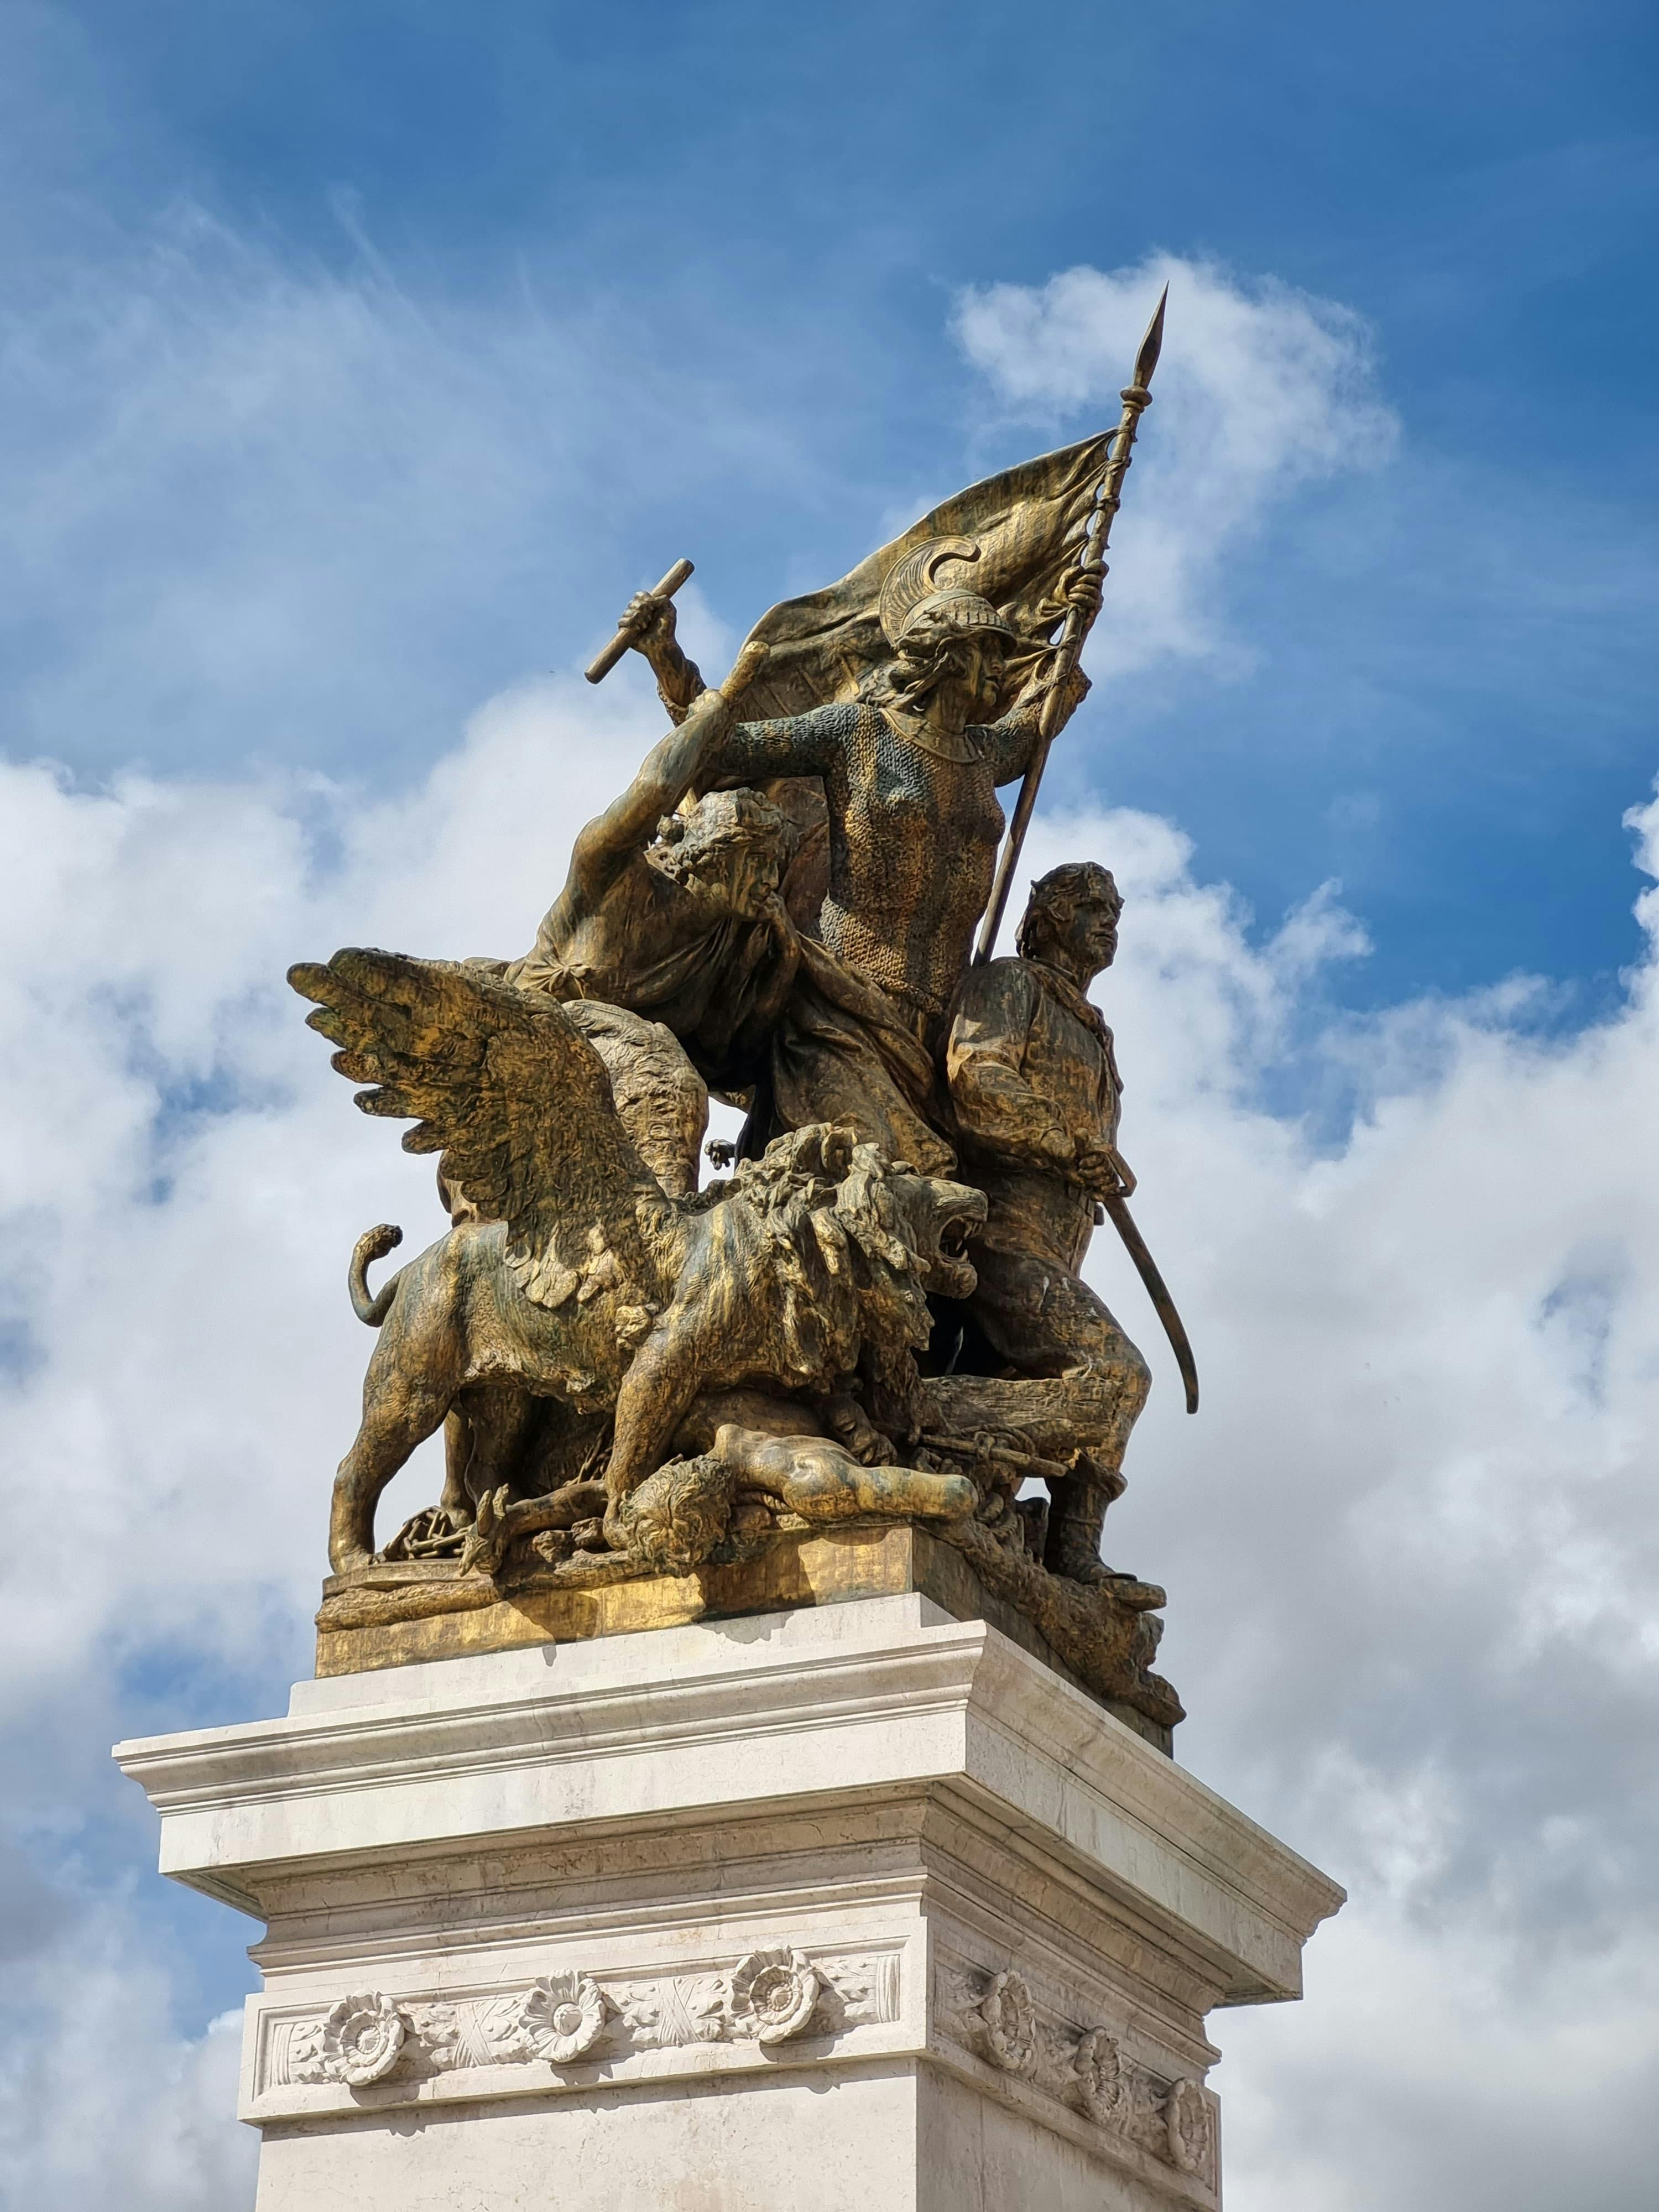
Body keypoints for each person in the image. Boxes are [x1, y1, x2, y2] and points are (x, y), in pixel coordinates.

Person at [620, 555, 1097, 1173]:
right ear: (948, 656)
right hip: (842, 1000)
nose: (1001, 670)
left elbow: (1044, 712)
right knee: (885, 1179)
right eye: (989, 654)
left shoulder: (985, 753)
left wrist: (1078, 621)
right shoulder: (857, 732)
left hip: (946, 1025)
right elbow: (724, 746)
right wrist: (667, 657)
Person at [943, 861, 1150, 1584]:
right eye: (1092, 905)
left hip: (1058, 1254)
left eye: (1115, 908)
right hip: (995, 1239)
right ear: (1052, 915)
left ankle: (1072, 1553)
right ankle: (922, 1413)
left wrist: (1094, 1159)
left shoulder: (1094, 1031)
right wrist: (1068, 1143)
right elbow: (977, 1079)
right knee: (1117, 1375)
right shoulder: (1012, 983)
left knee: (1098, 1382)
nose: (1110, 919)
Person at [503, 650, 797, 1099]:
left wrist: (786, 959)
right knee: (669, 1087)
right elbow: (657, 788)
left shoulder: (734, 938)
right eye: (757, 863)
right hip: (527, 1049)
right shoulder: (610, 873)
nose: (770, 881)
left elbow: (732, 1061)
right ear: (711, 857)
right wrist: (708, 715)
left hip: (612, 1087)